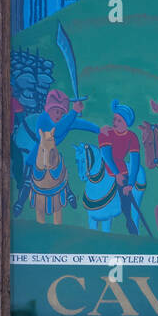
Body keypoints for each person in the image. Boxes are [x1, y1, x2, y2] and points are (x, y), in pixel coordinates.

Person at [14, 89, 98, 217]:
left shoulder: (65, 120)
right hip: (38, 152)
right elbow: (55, 132)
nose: (58, 115)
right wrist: (73, 112)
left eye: (61, 112)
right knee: (28, 176)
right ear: (48, 110)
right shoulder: (43, 119)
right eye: (56, 111)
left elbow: (80, 124)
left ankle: (68, 192)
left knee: (60, 168)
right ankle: (20, 202)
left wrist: (99, 130)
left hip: (52, 153)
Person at [98, 100, 145, 234]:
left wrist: (130, 183)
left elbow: (135, 161)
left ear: (126, 123)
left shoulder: (132, 137)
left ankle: (130, 222)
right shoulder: (106, 133)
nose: (115, 123)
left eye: (119, 120)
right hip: (106, 170)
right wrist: (116, 173)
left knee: (126, 202)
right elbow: (106, 156)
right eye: (115, 119)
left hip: (123, 172)